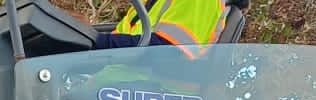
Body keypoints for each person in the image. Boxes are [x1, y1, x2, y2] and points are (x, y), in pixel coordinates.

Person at [94, 0, 227, 52]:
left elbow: (167, 52)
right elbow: (116, 41)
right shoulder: (147, 2)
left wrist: (96, 41)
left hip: (157, 96)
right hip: (115, 84)